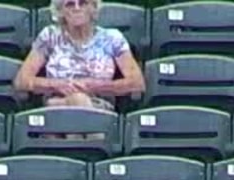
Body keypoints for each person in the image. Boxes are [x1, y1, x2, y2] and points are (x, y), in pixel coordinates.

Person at [14, 0, 144, 110]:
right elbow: (22, 81)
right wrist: (58, 85)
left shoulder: (112, 38)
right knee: (72, 103)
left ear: (93, 8)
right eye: (70, 4)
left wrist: (95, 86)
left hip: (99, 105)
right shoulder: (49, 36)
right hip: (55, 104)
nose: (76, 8)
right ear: (61, 12)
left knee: (77, 101)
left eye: (82, 3)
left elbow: (137, 83)